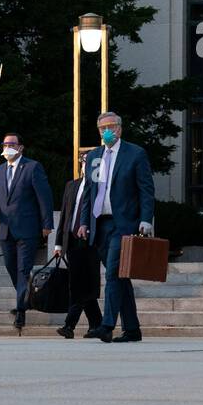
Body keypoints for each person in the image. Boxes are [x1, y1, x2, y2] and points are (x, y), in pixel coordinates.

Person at [75, 111, 155, 343]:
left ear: (119, 128)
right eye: (102, 128)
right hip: (101, 224)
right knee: (121, 277)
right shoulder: (93, 157)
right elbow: (89, 191)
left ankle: (107, 324)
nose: (106, 131)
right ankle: (132, 329)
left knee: (112, 272)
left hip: (125, 223)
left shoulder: (135, 154)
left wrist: (146, 218)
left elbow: (146, 189)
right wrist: (83, 221)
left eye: (110, 127)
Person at [0, 133, 54, 333]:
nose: (7, 147)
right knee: (11, 267)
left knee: (23, 269)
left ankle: (21, 310)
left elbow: (44, 197)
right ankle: (25, 298)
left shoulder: (32, 167)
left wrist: (47, 224)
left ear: (21, 147)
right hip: (6, 229)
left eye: (11, 144)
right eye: (4, 144)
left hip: (27, 229)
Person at [52, 152, 102, 338]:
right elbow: (65, 216)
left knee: (81, 284)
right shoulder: (71, 185)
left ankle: (69, 325)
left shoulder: (100, 187)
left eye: (90, 162)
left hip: (90, 241)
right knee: (82, 285)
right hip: (71, 241)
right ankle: (97, 324)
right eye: (84, 161)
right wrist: (58, 243)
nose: (86, 164)